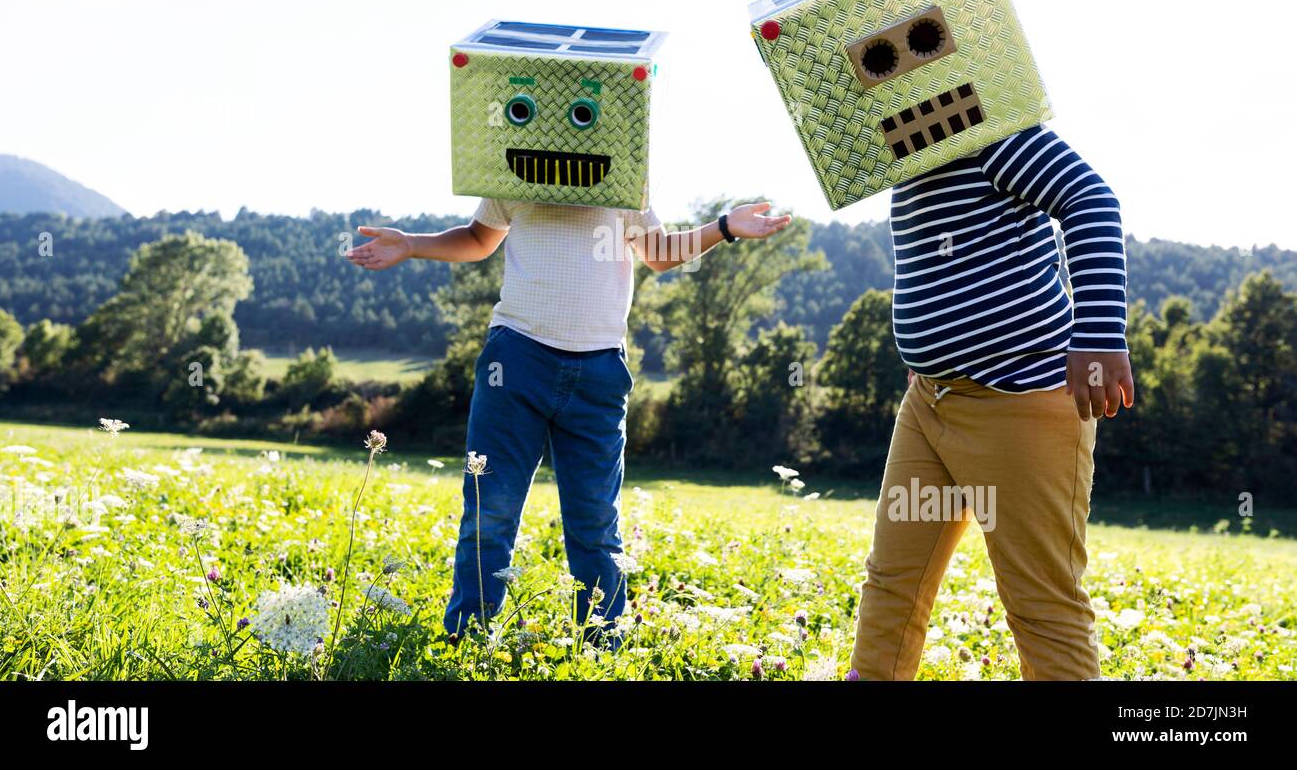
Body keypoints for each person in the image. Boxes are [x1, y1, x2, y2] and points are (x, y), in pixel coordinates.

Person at [347, 199, 791, 637]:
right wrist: (411, 243)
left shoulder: (623, 175)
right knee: (490, 511)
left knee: (596, 523)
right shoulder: (516, 166)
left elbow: (658, 253)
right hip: (516, 359)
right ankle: (467, 636)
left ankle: (600, 643)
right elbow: (479, 239)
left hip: (598, 373)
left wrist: (725, 227)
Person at [851, 124, 1134, 680]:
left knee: (1041, 603)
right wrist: (930, 344)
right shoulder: (907, 153)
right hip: (931, 402)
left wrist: (1099, 335)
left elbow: (1091, 201)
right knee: (893, 581)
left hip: (1021, 403)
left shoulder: (992, 133)